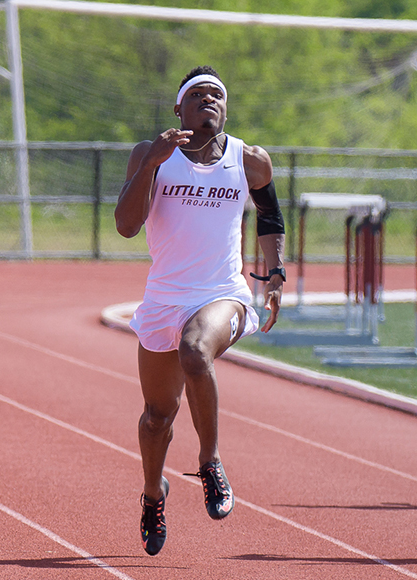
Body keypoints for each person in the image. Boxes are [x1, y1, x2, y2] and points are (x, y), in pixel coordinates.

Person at [115, 66, 285, 556]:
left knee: (195, 350)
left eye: (217, 95)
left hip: (223, 292)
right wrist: (152, 162)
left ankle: (209, 462)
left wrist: (274, 278)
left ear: (225, 108)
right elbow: (127, 226)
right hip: (165, 298)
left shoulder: (248, 159)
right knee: (155, 418)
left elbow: (270, 217)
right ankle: (153, 494)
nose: (209, 100)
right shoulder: (152, 156)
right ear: (179, 109)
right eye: (198, 95)